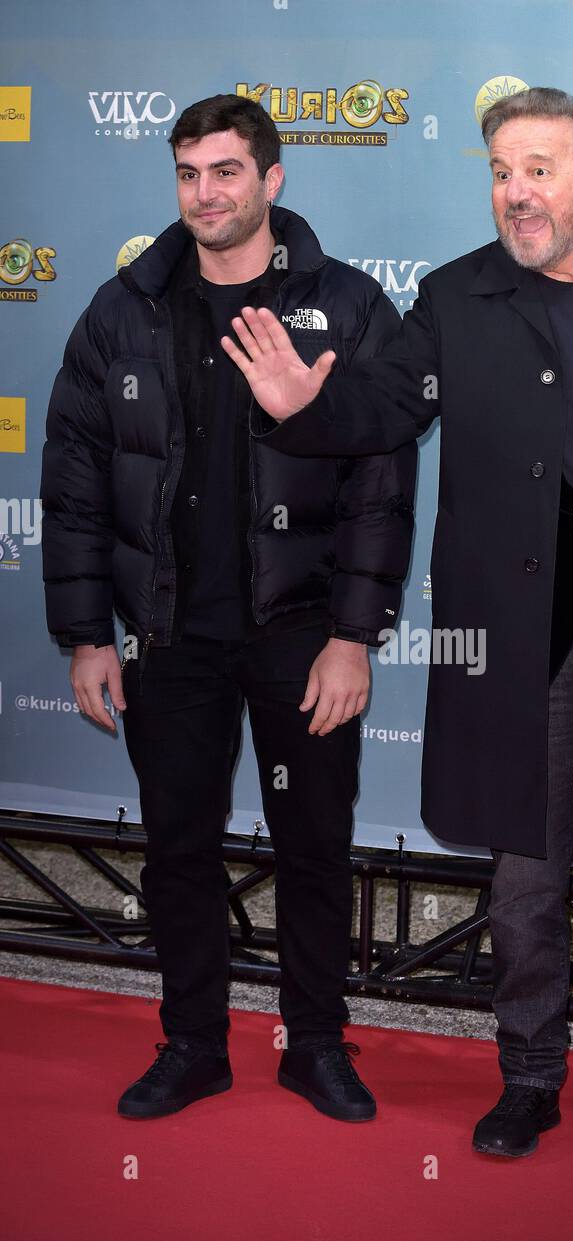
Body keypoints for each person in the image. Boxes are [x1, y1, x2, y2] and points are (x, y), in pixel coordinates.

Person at [221, 88, 573, 1166]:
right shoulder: (456, 296)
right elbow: (380, 409)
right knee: (525, 878)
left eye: (535, 168)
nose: (512, 191)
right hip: (521, 647)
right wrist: (303, 404)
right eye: (496, 169)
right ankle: (527, 1078)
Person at [40, 94, 417, 1122]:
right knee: (178, 850)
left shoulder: (342, 307)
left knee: (311, 847)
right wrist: (84, 635)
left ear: (271, 179)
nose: (206, 193)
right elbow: (74, 479)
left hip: (301, 637)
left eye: (226, 172)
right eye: (188, 174)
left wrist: (353, 635)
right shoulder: (124, 308)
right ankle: (194, 1042)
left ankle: (317, 1045)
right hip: (169, 636)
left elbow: (381, 482)